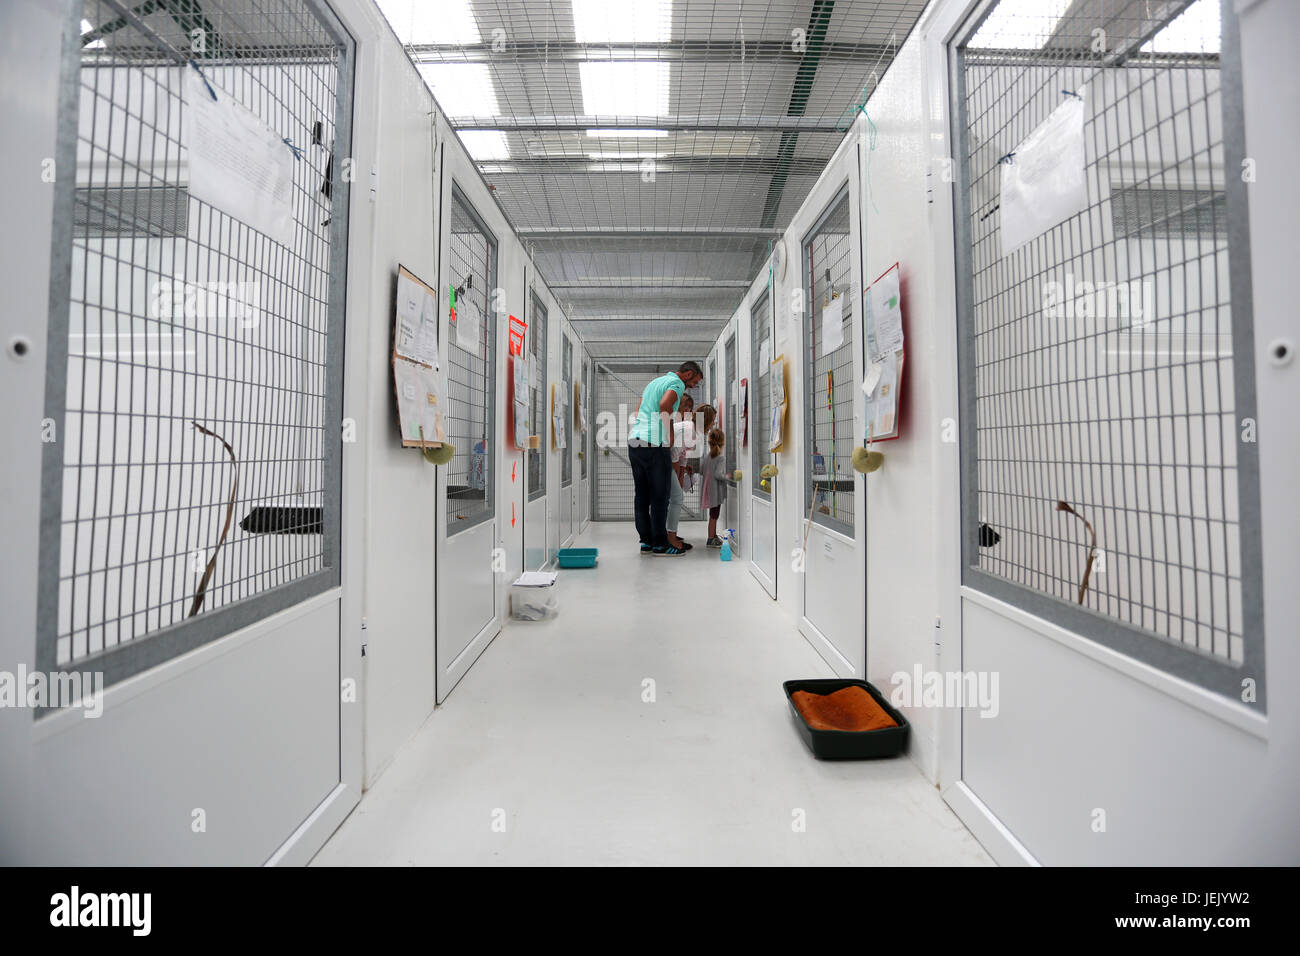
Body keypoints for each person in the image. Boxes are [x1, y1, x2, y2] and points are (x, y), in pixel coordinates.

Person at [628, 361, 703, 556]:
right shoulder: (676, 383)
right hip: (654, 443)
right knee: (661, 496)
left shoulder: (655, 382)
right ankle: (661, 544)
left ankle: (646, 542)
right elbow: (664, 405)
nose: (693, 386)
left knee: (642, 495)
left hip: (635, 441)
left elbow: (639, 409)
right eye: (694, 381)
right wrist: (668, 433)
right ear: (687, 374)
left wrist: (643, 427)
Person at [666, 394, 697, 551]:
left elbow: (683, 456)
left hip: (676, 461)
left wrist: (683, 472)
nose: (688, 410)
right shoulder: (677, 424)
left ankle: (671, 533)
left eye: (690, 408)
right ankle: (669, 535)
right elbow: (674, 456)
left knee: (675, 498)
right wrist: (678, 476)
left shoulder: (688, 426)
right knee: (674, 498)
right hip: (667, 462)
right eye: (686, 407)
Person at [700, 427, 728, 547]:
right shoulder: (720, 457)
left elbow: (701, 471)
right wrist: (727, 476)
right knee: (714, 515)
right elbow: (718, 474)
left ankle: (713, 535)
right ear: (722, 442)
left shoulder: (707, 456)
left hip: (708, 490)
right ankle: (711, 539)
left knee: (713, 514)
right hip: (715, 491)